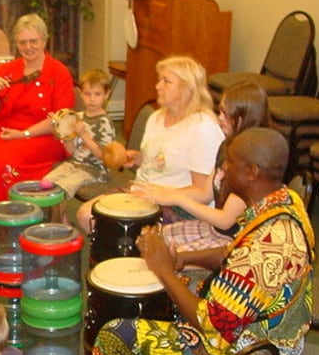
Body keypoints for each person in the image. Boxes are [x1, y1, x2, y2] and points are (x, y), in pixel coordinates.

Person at [83, 128, 315, 355]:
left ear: (252, 172)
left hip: (251, 353)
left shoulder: (268, 247)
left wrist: (163, 270)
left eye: (229, 163)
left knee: (117, 335)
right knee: (168, 294)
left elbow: (212, 326)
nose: (222, 171)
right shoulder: (282, 202)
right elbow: (233, 252)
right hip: (266, 328)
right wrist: (183, 259)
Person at [75, 56, 225, 231]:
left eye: (166, 81)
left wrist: (165, 195)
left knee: (116, 228)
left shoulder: (202, 127)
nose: (157, 86)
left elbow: (203, 193)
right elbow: (159, 158)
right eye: (159, 80)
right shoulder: (156, 117)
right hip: (144, 190)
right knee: (86, 214)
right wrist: (138, 157)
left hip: (181, 206)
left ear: (187, 88)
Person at [0, 14, 74, 213]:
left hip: (45, 135)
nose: (28, 47)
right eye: (23, 42)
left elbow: (61, 120)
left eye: (33, 41)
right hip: (6, 131)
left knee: (7, 164)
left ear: (44, 41)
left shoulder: (58, 72)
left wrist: (25, 134)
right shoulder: (8, 69)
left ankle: (13, 210)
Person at [141, 81, 268, 252]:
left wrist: (176, 198)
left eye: (226, 113)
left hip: (236, 241)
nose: (219, 117)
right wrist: (162, 192)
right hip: (216, 229)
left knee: (163, 254)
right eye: (220, 110)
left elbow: (225, 220)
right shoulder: (226, 146)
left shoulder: (250, 161)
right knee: (149, 239)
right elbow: (206, 193)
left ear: (243, 118)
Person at [43, 68, 117, 205]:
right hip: (75, 164)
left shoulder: (104, 122)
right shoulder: (78, 117)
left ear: (106, 95)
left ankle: (60, 221)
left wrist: (83, 134)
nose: (92, 99)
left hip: (95, 170)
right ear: (81, 94)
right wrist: (61, 129)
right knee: (46, 184)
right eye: (87, 94)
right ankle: (62, 219)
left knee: (60, 189)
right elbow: (71, 151)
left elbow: (104, 156)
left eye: (97, 94)